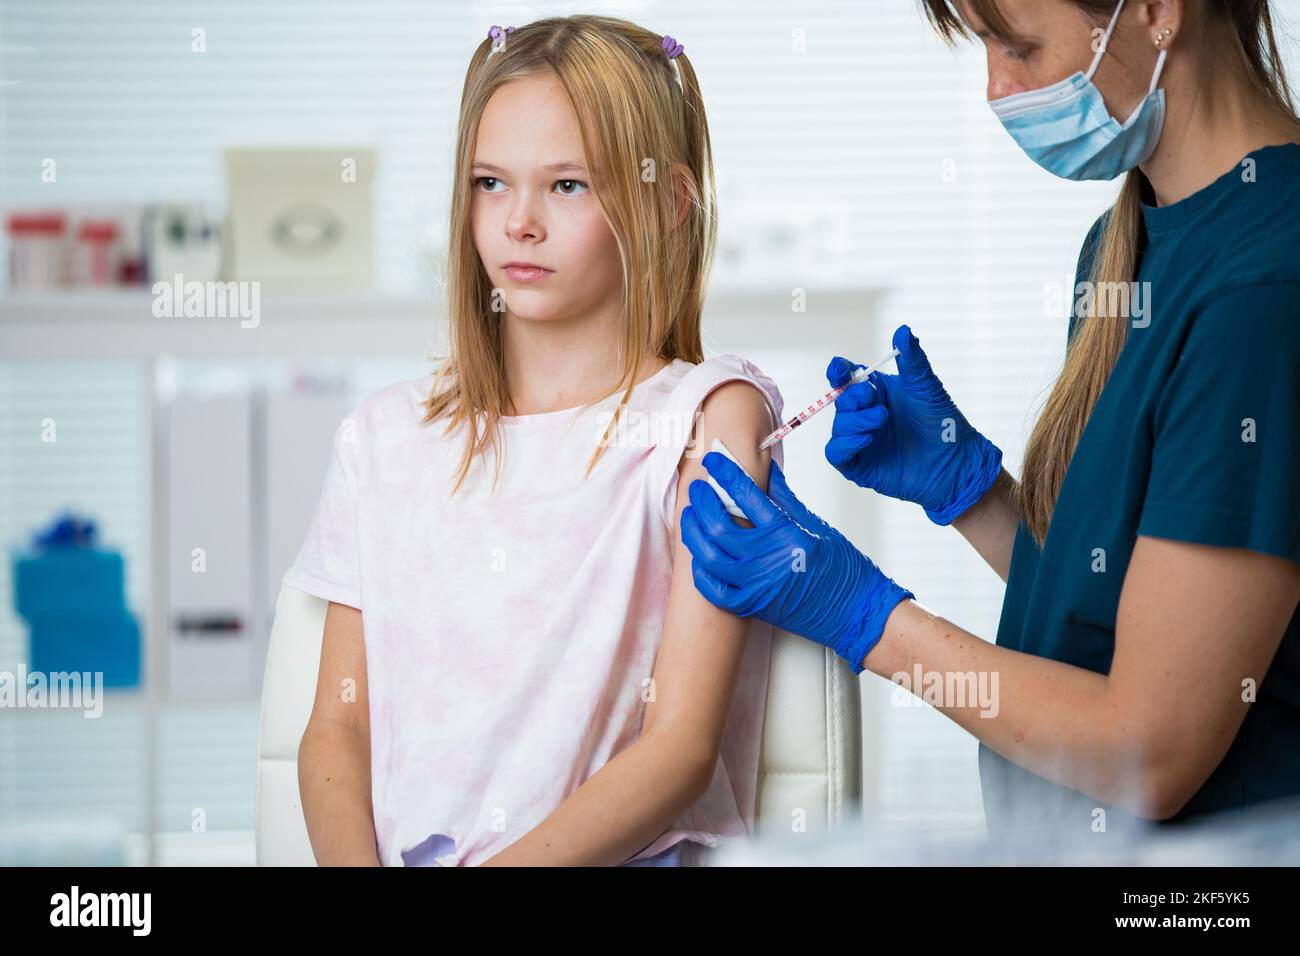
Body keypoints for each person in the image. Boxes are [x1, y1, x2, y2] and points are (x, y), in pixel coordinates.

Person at [682, 0, 1300, 841]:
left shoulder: (1265, 287)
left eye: (1018, 45)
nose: (996, 90)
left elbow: (1151, 750)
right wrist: (971, 491)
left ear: (1157, 12)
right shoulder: (1121, 251)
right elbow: (1120, 614)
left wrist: (866, 615)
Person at [288, 15, 785, 866]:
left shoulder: (709, 418)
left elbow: (679, 749)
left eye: (567, 186)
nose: (518, 222)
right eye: (490, 182)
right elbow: (338, 726)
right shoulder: (385, 438)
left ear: (668, 203)